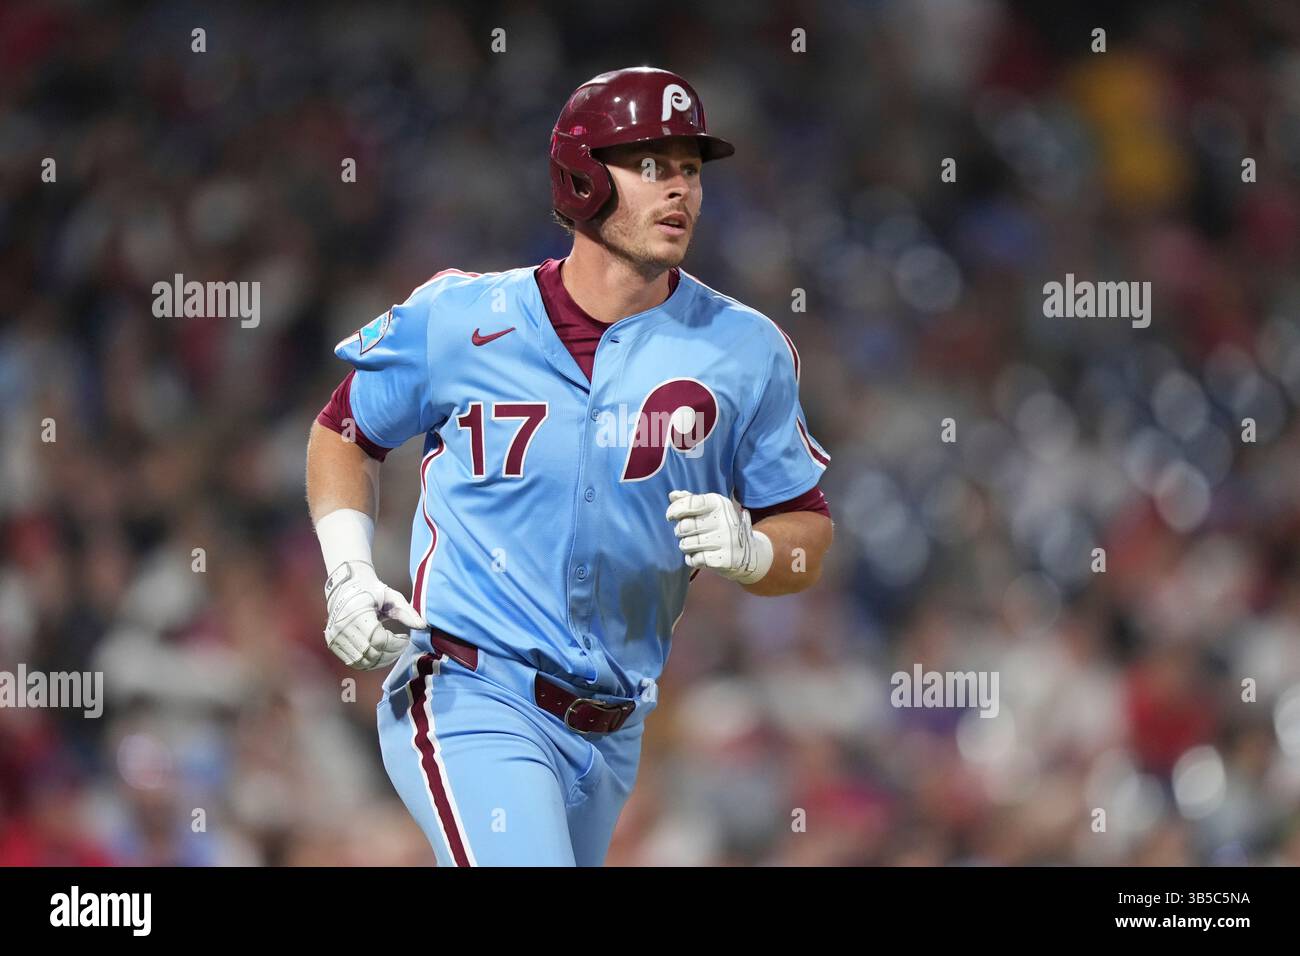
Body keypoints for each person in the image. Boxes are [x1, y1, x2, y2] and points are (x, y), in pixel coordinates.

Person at [304, 66, 833, 866]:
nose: (680, 189)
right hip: (470, 688)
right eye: (651, 164)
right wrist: (348, 571)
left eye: (690, 168)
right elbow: (344, 431)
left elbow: (807, 529)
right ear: (582, 175)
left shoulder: (745, 348)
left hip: (614, 727)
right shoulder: (459, 317)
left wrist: (757, 551)